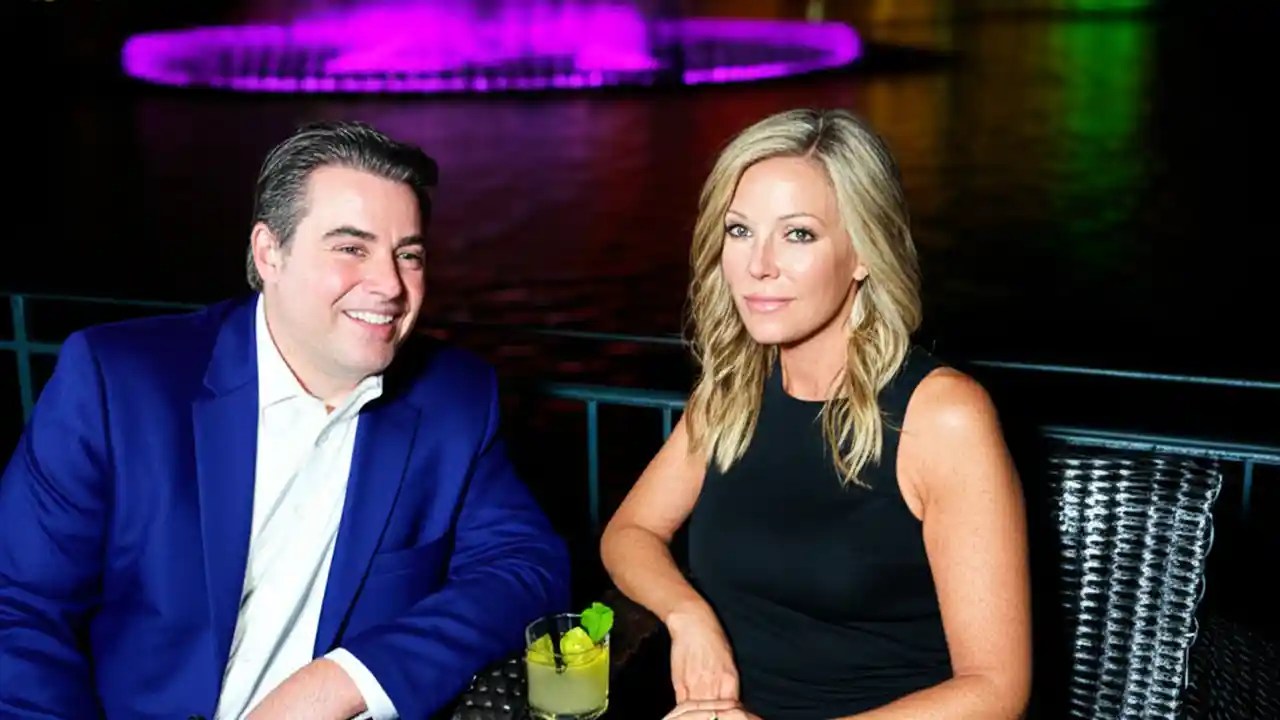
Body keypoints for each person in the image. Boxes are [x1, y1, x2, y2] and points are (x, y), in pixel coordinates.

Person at [0, 120, 570, 720]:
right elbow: (18, 606)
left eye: (409, 255)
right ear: (269, 253)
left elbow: (526, 568)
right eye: (351, 248)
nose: (390, 285)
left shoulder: (454, 398)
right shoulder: (117, 382)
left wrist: (347, 679)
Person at [600, 108, 1032, 719]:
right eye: (740, 230)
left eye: (797, 234)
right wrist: (688, 616)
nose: (758, 265)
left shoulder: (942, 416)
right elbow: (629, 533)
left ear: (863, 252)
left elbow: (996, 690)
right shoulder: (732, 392)